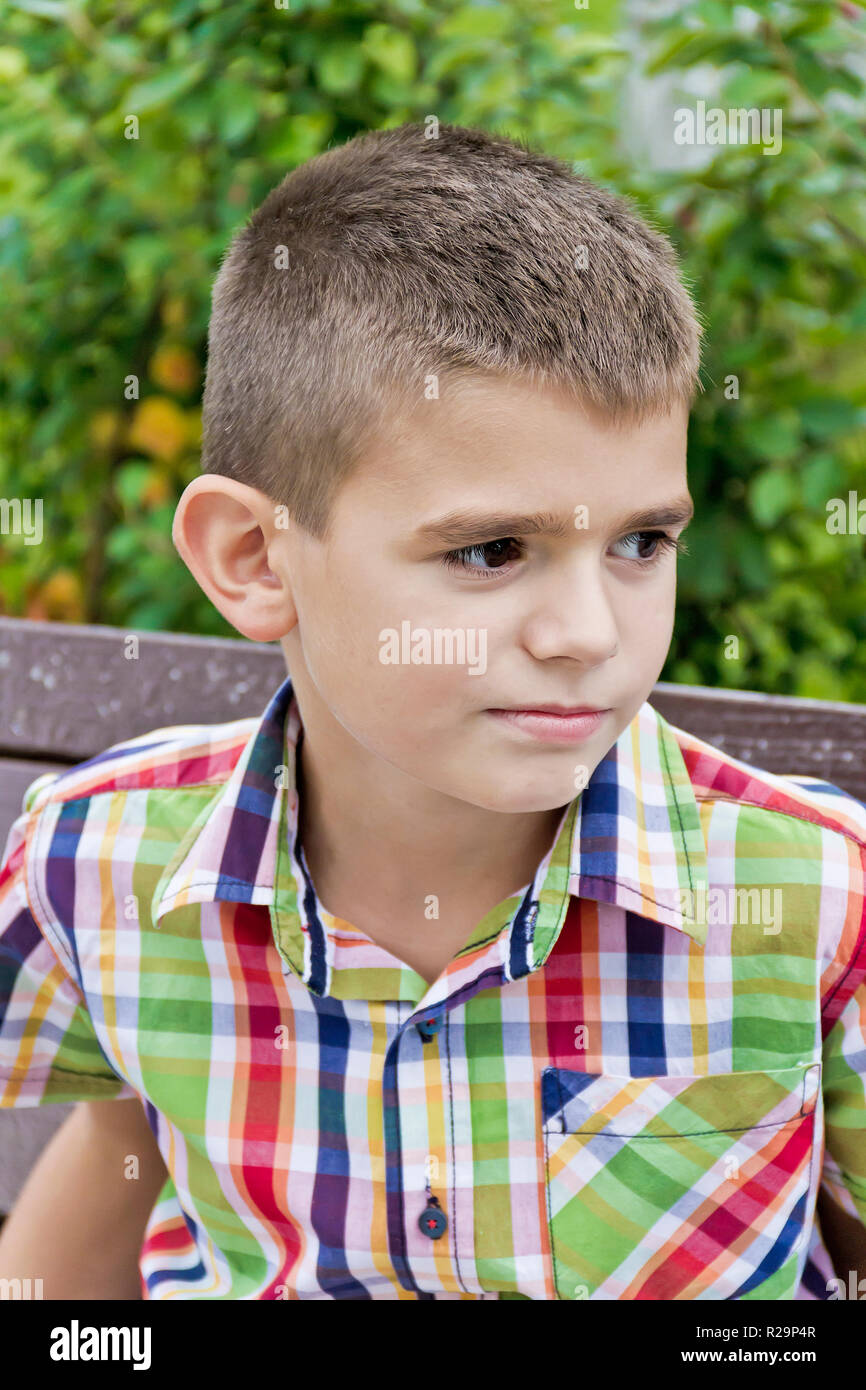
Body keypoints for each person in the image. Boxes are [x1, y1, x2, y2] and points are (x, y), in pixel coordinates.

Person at [0, 122, 863, 1300]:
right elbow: (119, 1151)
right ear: (255, 556)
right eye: (491, 549)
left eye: (639, 542)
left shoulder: (813, 895)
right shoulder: (93, 859)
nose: (588, 634)